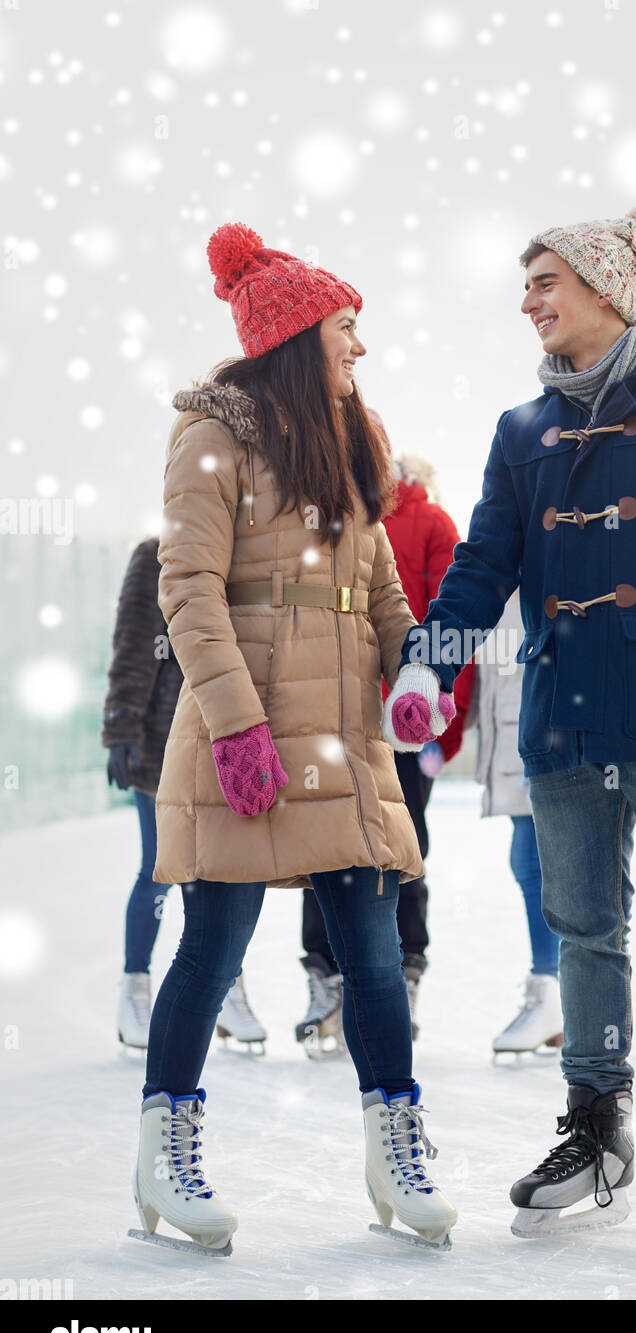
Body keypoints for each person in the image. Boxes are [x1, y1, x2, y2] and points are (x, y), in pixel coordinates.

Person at [383, 206, 636, 1252]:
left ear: (608, 287)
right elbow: (480, 569)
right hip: (562, 715)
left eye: (543, 279)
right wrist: (428, 664)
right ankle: (597, 1123)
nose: (526, 300)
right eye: (522, 284)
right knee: (580, 931)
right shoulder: (522, 432)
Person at [133, 221, 458, 1255]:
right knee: (213, 945)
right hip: (253, 732)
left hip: (346, 740)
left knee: (371, 955)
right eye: (345, 327)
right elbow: (187, 589)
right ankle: (165, 1155)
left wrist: (411, 671)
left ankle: (394, 1152)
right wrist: (233, 725)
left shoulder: (356, 436)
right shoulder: (211, 437)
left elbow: (385, 588)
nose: (360, 347)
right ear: (296, 333)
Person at [296, 441, 475, 1050]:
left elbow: (452, 625)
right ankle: (325, 976)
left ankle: (403, 970)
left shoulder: (429, 521)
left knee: (401, 845)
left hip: (405, 722)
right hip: (333, 715)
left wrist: (443, 718)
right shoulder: (319, 512)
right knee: (324, 843)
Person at [101, 539, 265, 1052]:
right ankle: (135, 992)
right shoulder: (155, 555)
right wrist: (120, 729)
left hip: (223, 741)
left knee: (221, 871)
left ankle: (227, 991)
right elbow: (132, 648)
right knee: (159, 869)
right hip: (160, 745)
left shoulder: (244, 554)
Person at [469, 588, 562, 1057]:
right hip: (517, 718)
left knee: (539, 860)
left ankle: (556, 991)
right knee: (532, 859)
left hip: (542, 718)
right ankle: (557, 992)